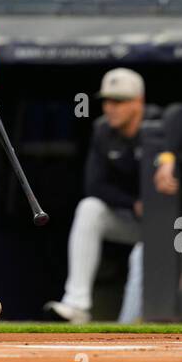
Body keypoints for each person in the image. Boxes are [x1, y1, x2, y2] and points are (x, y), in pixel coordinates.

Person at [43, 67, 153, 324]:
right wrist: (132, 203)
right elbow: (94, 185)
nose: (111, 108)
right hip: (133, 218)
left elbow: (181, 112)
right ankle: (77, 304)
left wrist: (168, 159)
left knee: (141, 253)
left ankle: (130, 321)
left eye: (119, 101)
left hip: (169, 226)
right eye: (107, 101)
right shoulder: (103, 131)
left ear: (139, 102)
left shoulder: (159, 125)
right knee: (90, 208)